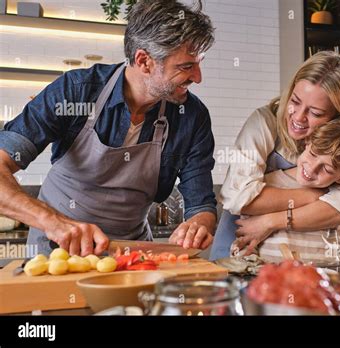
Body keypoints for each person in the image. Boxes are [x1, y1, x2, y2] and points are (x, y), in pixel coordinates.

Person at [0, 0, 217, 257]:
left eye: (198, 63)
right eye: (186, 67)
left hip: (133, 252)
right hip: (57, 249)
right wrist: (53, 222)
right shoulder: (77, 90)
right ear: (144, 61)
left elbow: (201, 202)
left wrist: (199, 225)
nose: (198, 77)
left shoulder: (192, 116)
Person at [210, 51, 340, 260]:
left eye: (315, 113)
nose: (297, 117)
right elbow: (240, 199)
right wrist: (317, 196)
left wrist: (269, 221)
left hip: (308, 267)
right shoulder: (264, 122)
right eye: (295, 101)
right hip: (242, 251)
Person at [233, 118, 340, 263]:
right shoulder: (265, 185)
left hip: (330, 277)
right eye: (313, 154)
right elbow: (246, 241)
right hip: (275, 280)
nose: (312, 168)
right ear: (307, 143)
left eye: (327, 169)